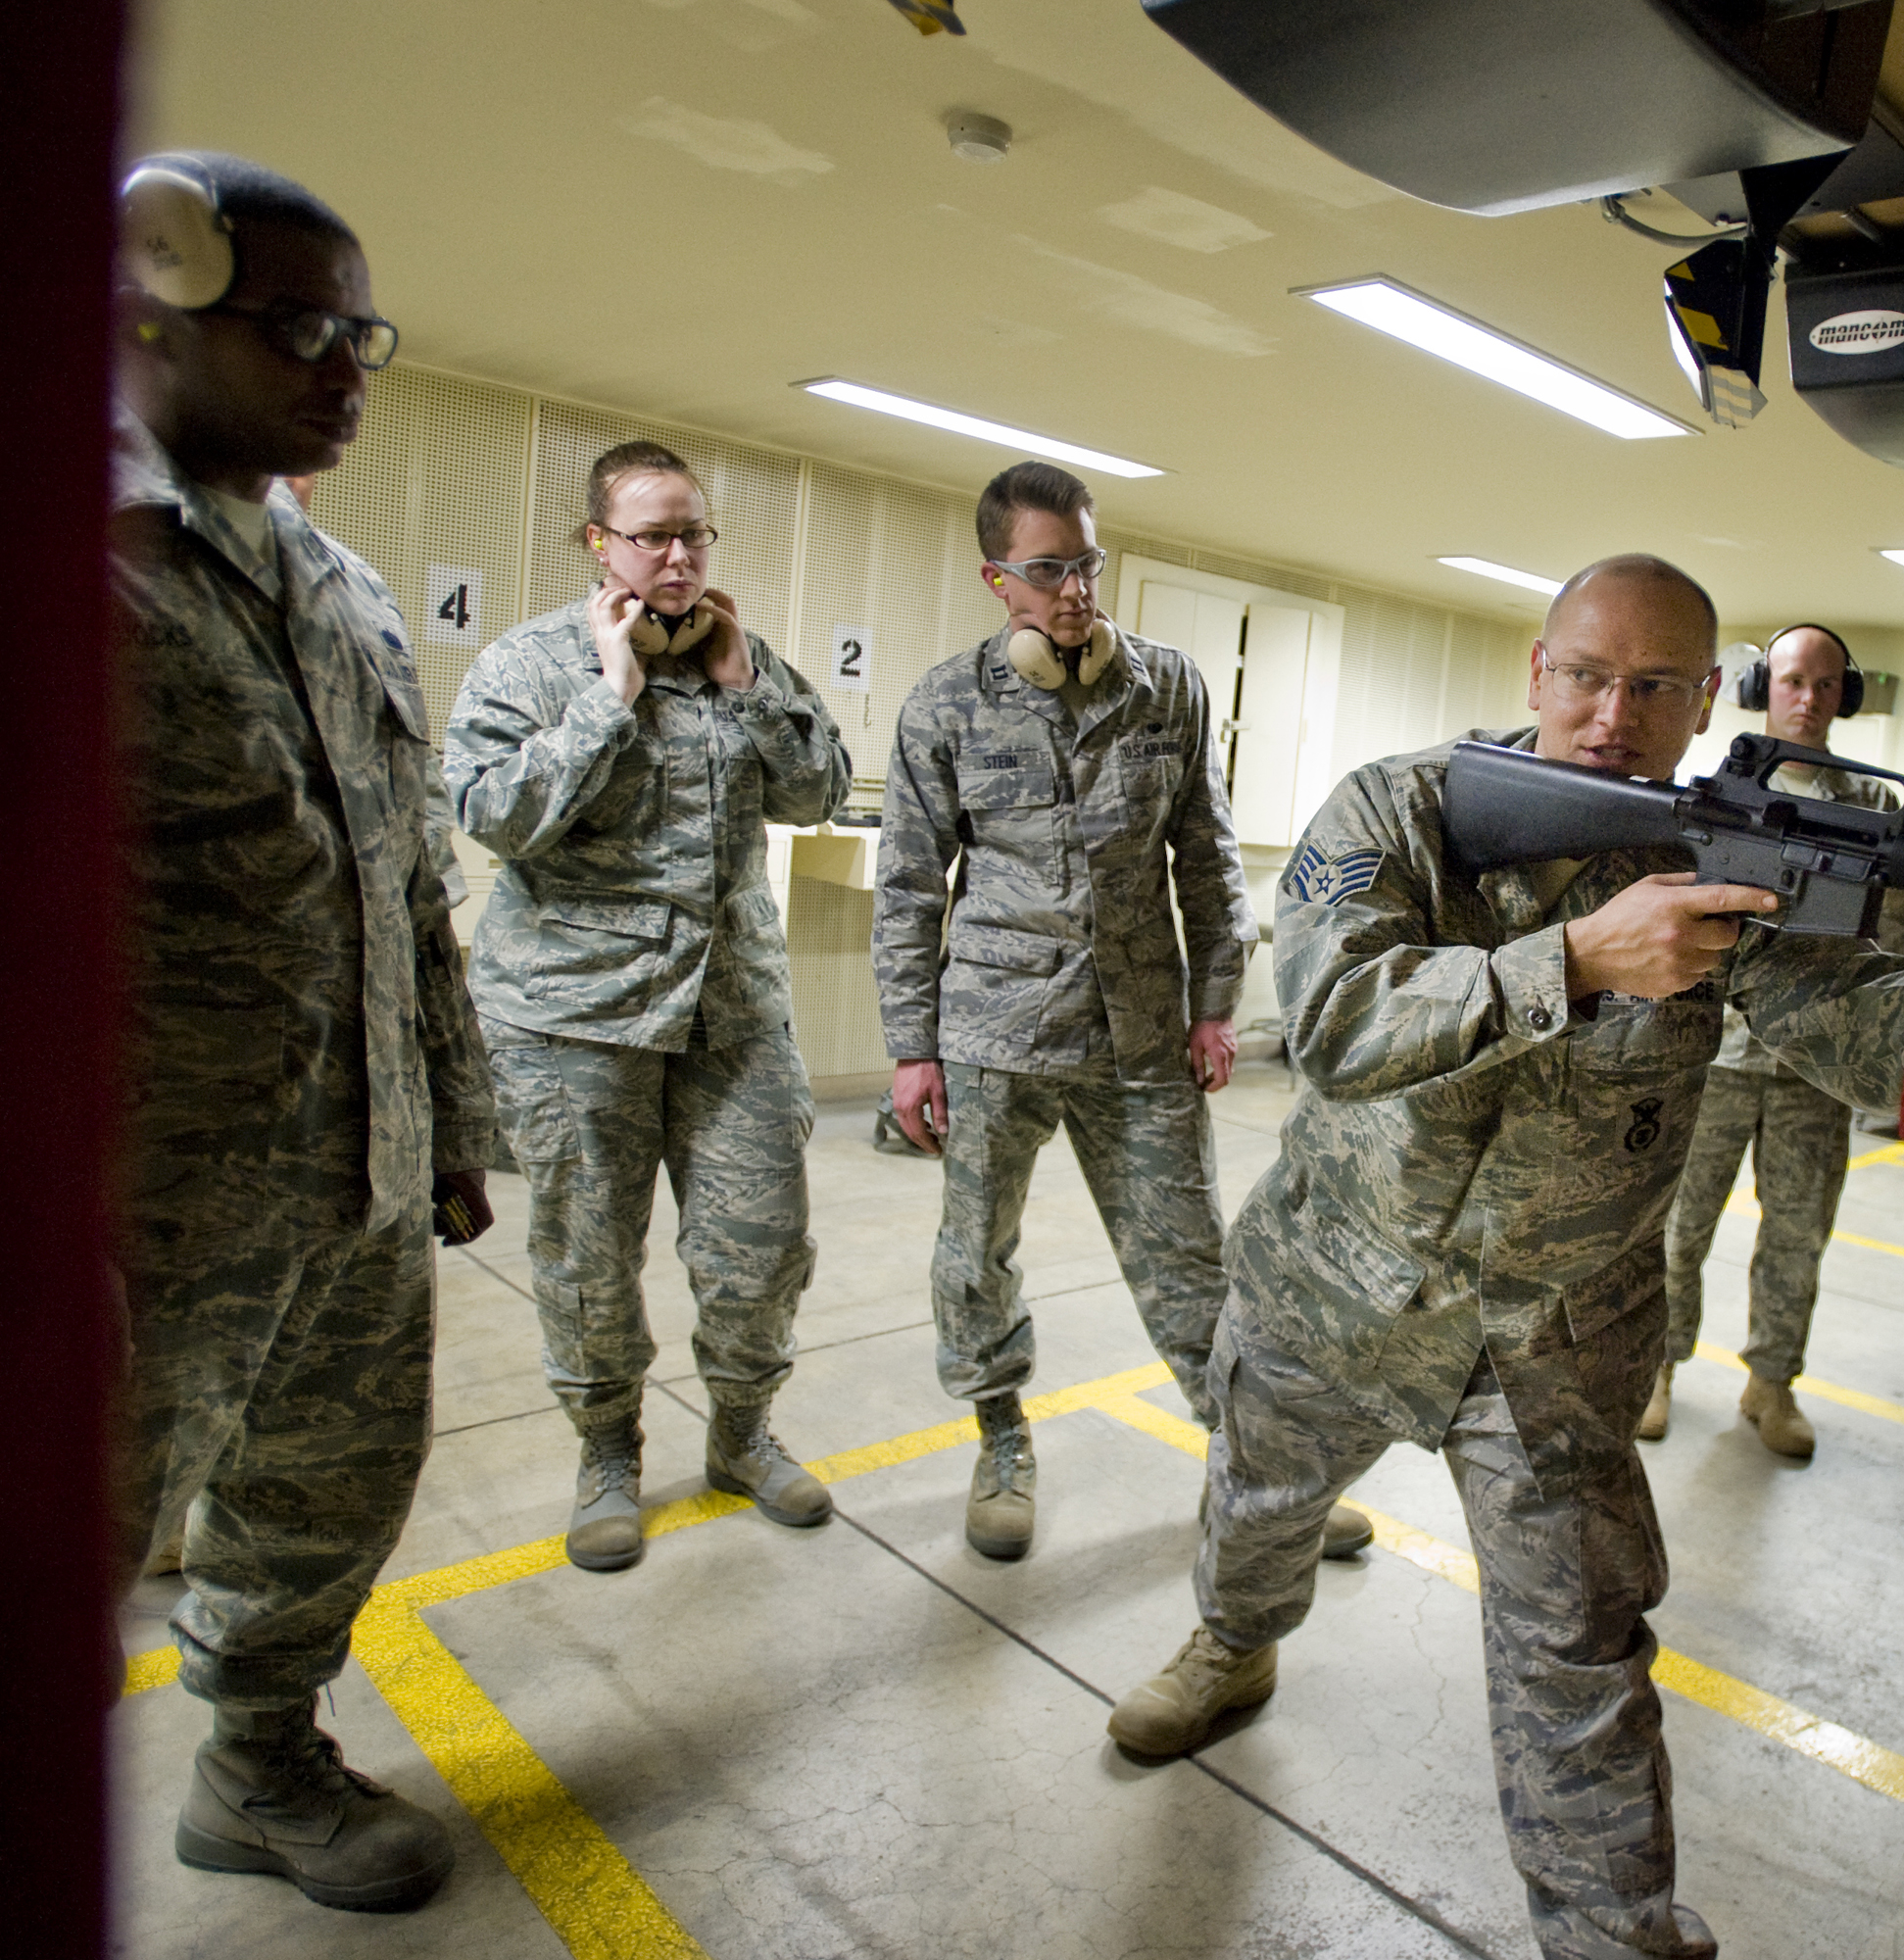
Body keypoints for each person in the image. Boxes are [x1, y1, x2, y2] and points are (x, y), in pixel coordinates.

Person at [1102, 555, 1904, 1959]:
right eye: (1585, 675)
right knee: (1257, 1512)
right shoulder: (1403, 806)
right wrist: (1573, 959)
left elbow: (1847, 1032)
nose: (1610, 714)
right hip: (1332, 1285)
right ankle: (1232, 1644)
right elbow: (1327, 1018)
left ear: (1707, 706)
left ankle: (1613, 1935)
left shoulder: (1726, 861)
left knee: (1580, 1648)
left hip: (1553, 1337)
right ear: (1536, 672)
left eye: (1654, 688)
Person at [108, 150, 495, 1913]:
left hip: (355, 1172)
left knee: (324, 1491)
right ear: (148, 317)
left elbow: (406, 885)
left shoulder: (338, 591)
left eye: (363, 330)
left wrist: (454, 1114)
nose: (344, 364)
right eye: (297, 325)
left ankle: (256, 1770)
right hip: (135, 1209)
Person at [872, 462, 1366, 1562]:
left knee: (1193, 1256)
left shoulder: (1169, 687)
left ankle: (1254, 1469)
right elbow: (909, 885)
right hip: (996, 1031)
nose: (1077, 590)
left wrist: (1216, 1005)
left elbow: (1208, 854)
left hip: (1141, 1031)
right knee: (976, 1251)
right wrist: (911, 1049)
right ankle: (1000, 1437)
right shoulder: (947, 703)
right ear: (999, 576)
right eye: (1049, 569)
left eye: (1088, 562)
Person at [444, 441, 852, 1573]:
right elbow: (493, 812)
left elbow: (822, 789)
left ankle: (740, 1434)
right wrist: (605, 703)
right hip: (575, 1020)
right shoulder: (527, 664)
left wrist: (747, 688)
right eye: (652, 535)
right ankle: (606, 1456)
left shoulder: (743, 656)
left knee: (760, 1246)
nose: (678, 556)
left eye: (694, 534)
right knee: (587, 1256)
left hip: (731, 1015)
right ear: (599, 543)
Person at [1649, 623, 1904, 1456]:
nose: (1807, 699)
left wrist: (1895, 1052)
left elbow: (1900, 943)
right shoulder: (1721, 787)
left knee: (1799, 1230)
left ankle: (1772, 1384)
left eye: (1826, 683)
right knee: (1677, 1224)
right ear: (1759, 687)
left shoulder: (1877, 805)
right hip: (1717, 1053)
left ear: (1848, 695)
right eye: (1792, 680)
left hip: (1822, 1062)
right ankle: (1656, 1368)